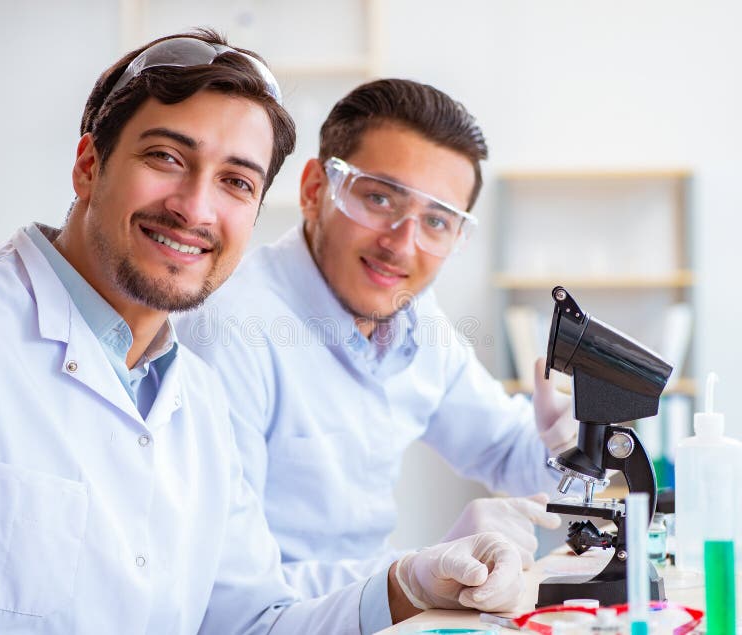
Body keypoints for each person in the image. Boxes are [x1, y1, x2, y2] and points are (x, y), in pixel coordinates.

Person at [0, 32, 526, 634]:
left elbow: (249, 621)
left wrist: (409, 585)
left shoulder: (193, 398)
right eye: (166, 157)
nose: (195, 209)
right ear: (89, 166)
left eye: (237, 182)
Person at [176, 78, 577, 599]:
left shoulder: (412, 320)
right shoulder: (231, 331)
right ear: (315, 191)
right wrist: (415, 574)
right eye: (380, 198)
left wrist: (565, 444)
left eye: (436, 221)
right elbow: (229, 594)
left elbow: (506, 453)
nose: (402, 246)